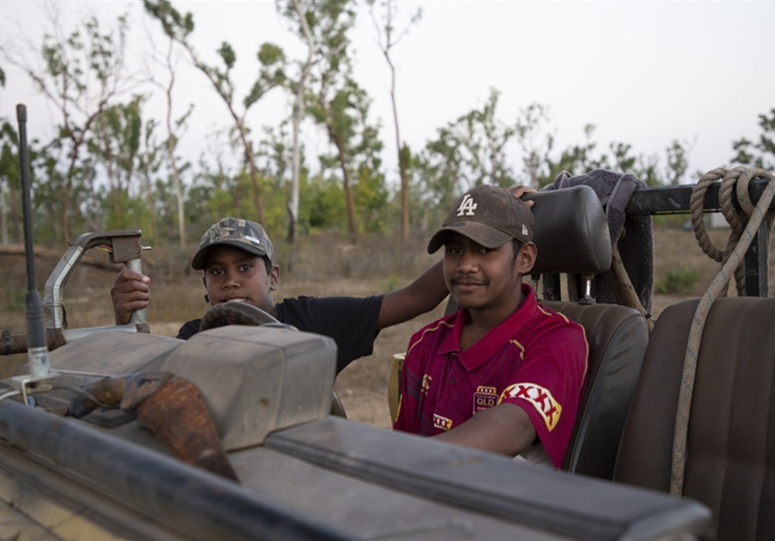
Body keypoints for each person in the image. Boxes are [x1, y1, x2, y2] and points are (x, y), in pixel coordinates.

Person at [392, 185, 588, 468]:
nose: (466, 265)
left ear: (525, 258)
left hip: (507, 507)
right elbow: (402, 442)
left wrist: (405, 461)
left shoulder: (557, 339)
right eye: (455, 250)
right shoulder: (426, 343)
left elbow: (514, 427)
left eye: (485, 249)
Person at [111, 217, 456, 374]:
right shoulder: (194, 337)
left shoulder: (311, 321)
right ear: (205, 286)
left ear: (273, 277)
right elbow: (143, 381)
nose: (230, 282)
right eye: (217, 272)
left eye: (245, 268)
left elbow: (415, 298)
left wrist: (464, 250)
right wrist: (125, 321)